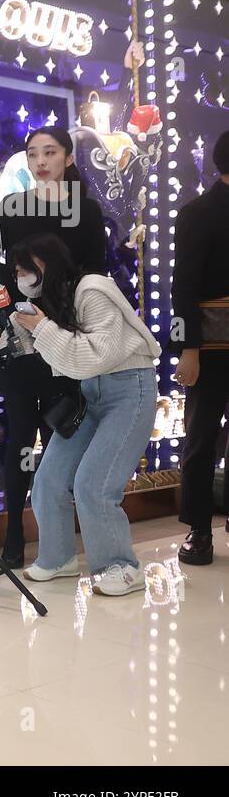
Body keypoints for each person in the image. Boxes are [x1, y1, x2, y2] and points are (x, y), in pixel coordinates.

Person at [10, 233, 160, 596]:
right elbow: (67, 362)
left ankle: (121, 566)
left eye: (25, 269)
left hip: (129, 391)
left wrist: (42, 329)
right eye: (16, 272)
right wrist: (26, 332)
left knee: (94, 484)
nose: (21, 277)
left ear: (46, 262)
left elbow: (93, 355)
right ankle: (58, 557)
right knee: (47, 479)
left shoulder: (92, 290)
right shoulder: (57, 300)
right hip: (92, 395)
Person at [0, 126, 109, 567]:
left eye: (50, 152)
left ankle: (57, 536)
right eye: (33, 153)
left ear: (67, 158)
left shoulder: (88, 212)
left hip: (69, 337)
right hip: (22, 338)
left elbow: (97, 273)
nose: (41, 161)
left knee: (64, 433)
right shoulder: (11, 210)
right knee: (20, 436)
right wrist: (14, 316)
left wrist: (72, 321)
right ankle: (15, 533)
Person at [170, 130, 229, 566]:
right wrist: (187, 348)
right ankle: (198, 529)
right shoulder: (197, 213)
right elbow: (183, 288)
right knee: (201, 435)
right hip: (209, 344)